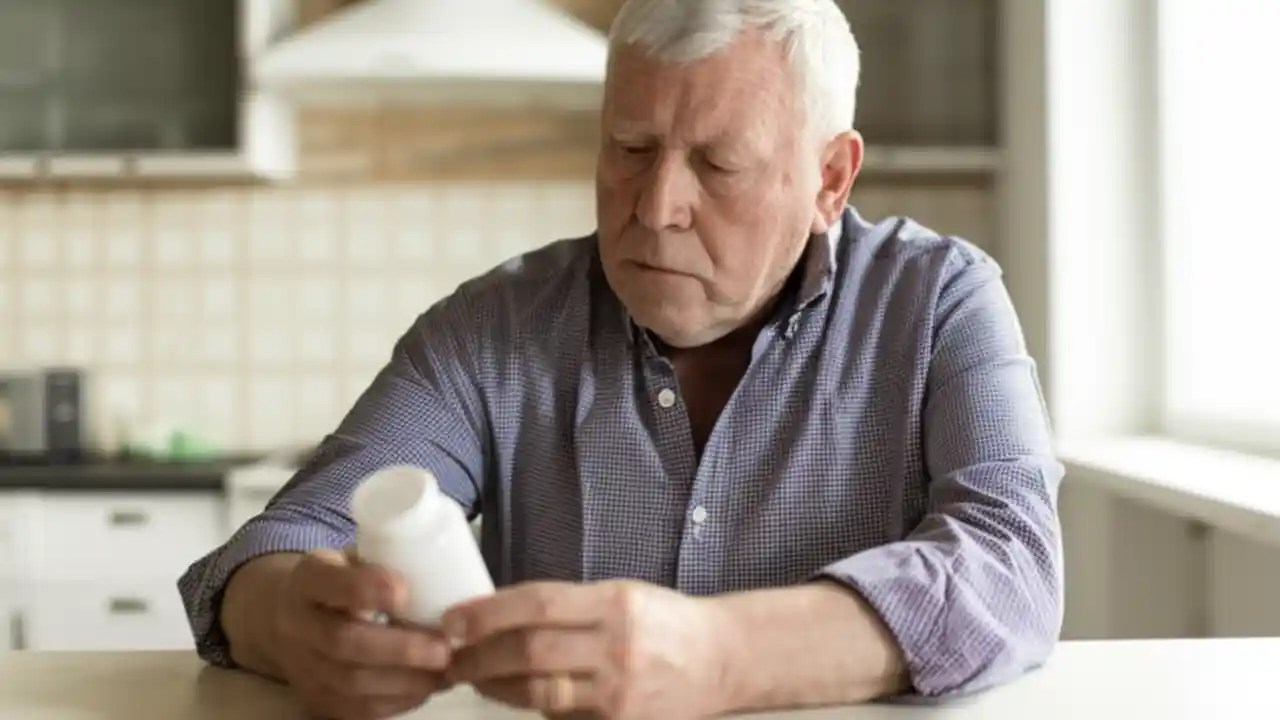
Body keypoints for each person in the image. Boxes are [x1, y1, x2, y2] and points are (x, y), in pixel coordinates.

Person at [179, 0, 1064, 717]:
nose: (655, 207)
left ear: (831, 177)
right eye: (630, 149)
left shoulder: (941, 301)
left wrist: (723, 657)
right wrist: (293, 620)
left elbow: (1013, 566)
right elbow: (267, 552)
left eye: (717, 165)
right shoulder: (495, 327)